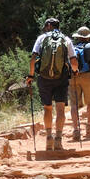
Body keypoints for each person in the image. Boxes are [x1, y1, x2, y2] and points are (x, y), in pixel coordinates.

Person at [27, 17, 78, 151]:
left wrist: (31, 75)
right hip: (61, 78)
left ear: (49, 25)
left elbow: (33, 59)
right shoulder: (66, 40)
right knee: (60, 109)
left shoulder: (41, 39)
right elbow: (73, 60)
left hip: (44, 78)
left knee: (47, 108)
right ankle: (58, 140)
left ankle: (49, 137)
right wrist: (75, 71)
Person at [70, 26, 90, 141]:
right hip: (87, 75)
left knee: (74, 104)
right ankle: (88, 125)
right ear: (88, 37)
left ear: (78, 37)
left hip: (73, 77)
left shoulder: (72, 47)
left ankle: (76, 129)